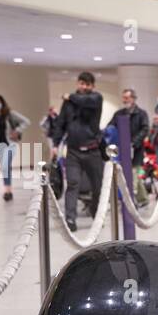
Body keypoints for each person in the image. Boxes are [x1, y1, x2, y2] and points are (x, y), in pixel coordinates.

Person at [55, 72, 104, 231]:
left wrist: (69, 96)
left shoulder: (96, 99)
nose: (83, 87)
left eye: (87, 84)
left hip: (93, 151)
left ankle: (95, 212)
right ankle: (70, 218)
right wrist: (56, 145)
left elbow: (86, 101)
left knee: (97, 187)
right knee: (73, 184)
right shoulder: (68, 103)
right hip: (73, 152)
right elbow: (61, 123)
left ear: (92, 86)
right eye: (81, 83)